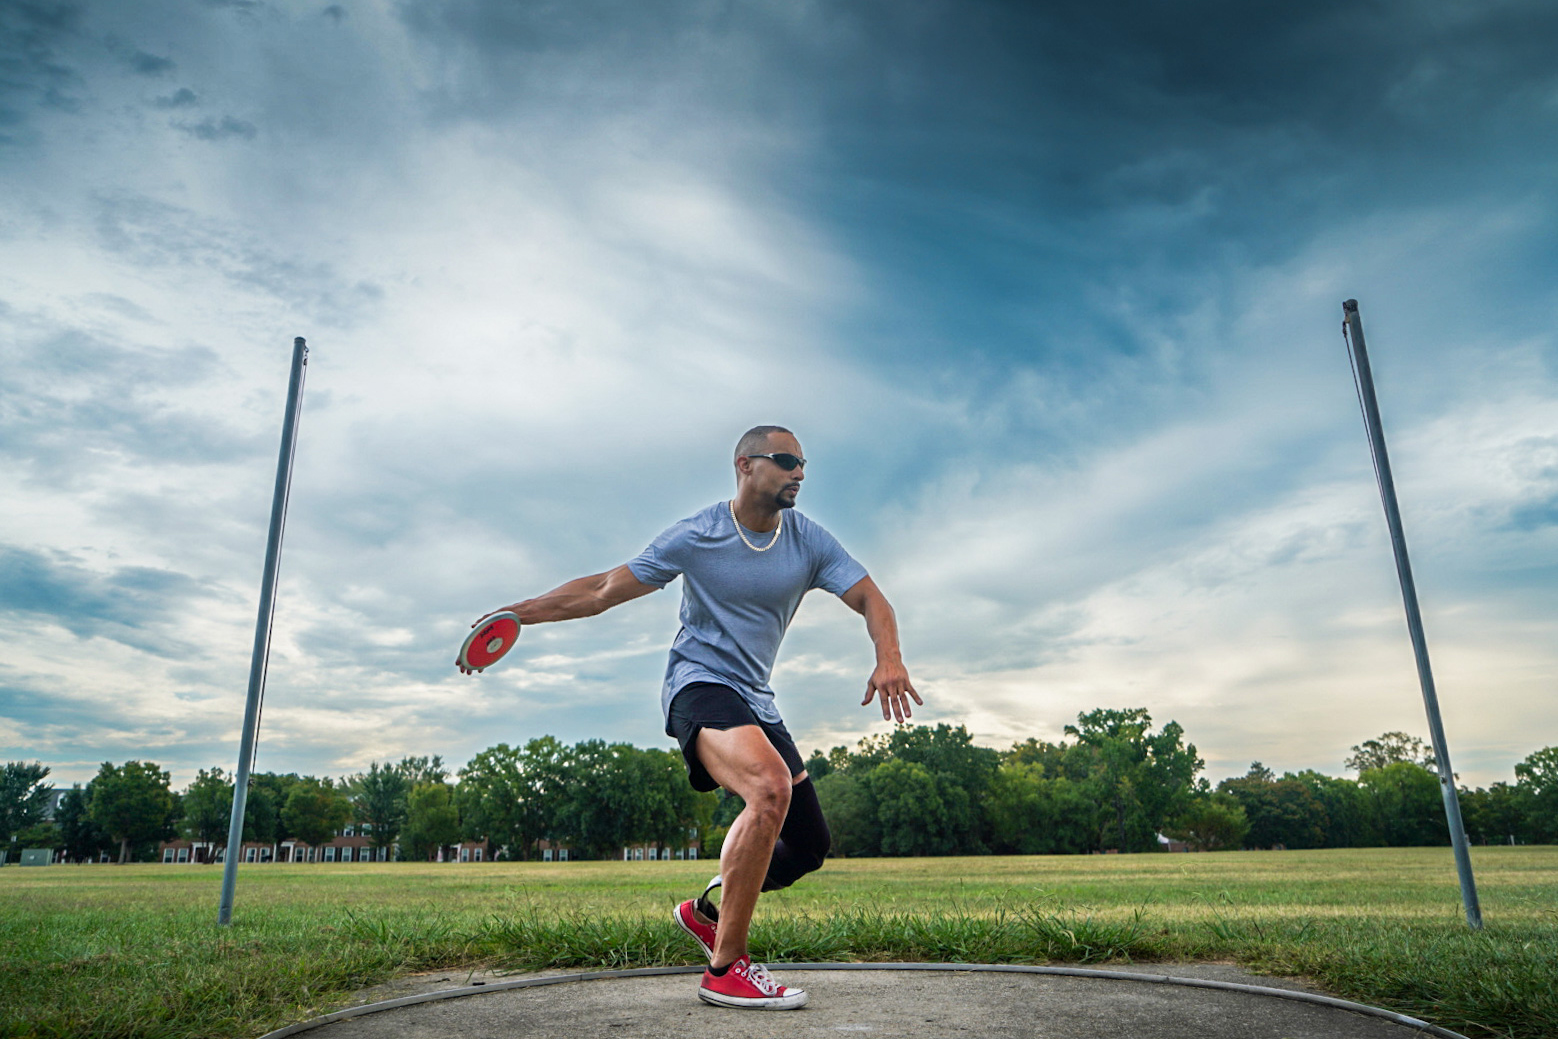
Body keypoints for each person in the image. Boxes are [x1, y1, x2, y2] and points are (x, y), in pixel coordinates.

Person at [460, 425, 920, 1009]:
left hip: (755, 697)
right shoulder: (698, 534)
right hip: (699, 686)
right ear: (745, 464)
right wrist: (518, 614)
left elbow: (872, 598)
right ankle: (726, 968)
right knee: (769, 786)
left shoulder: (809, 541)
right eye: (785, 461)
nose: (799, 473)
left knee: (807, 845)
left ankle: (706, 913)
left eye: (804, 464)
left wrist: (890, 658)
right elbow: (603, 588)